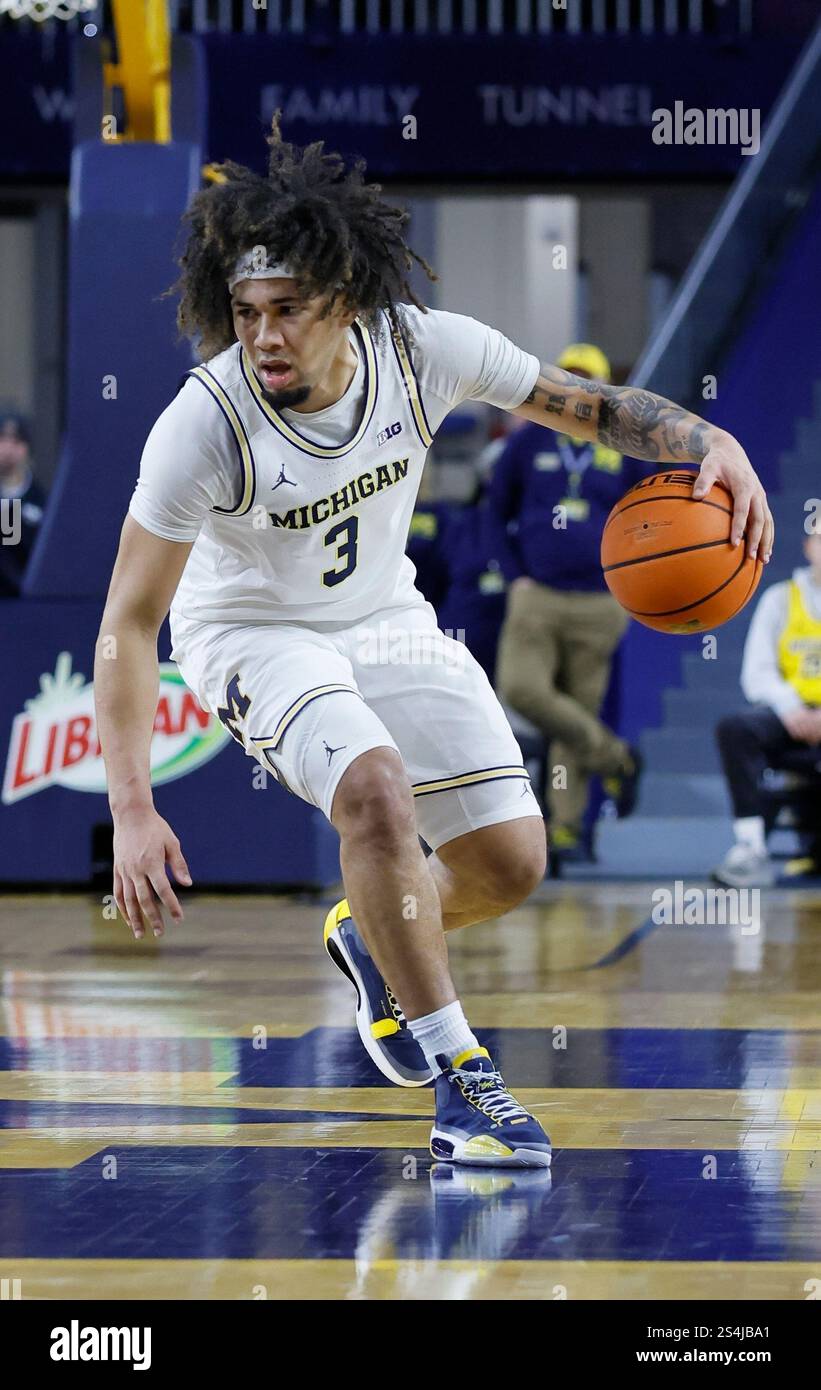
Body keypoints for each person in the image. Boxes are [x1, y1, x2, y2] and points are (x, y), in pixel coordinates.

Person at [94, 117, 773, 1169]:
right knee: (371, 790)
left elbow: (585, 408)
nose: (264, 336)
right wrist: (131, 807)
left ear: (349, 303)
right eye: (245, 313)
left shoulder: (425, 351)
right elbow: (129, 622)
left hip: (385, 619)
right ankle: (464, 1082)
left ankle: (371, 935)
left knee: (510, 860)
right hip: (254, 635)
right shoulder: (205, 423)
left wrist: (707, 440)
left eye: (288, 311)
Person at [489, 345, 653, 864]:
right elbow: (492, 512)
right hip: (537, 596)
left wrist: (630, 588)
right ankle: (617, 758)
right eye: (570, 379)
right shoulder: (527, 442)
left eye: (589, 382)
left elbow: (648, 521)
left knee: (575, 715)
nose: (578, 389)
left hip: (600, 603)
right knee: (520, 689)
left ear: (604, 392)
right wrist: (514, 577)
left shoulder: (623, 448)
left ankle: (565, 830)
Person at [713, 529, 821, 888]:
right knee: (736, 729)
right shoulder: (780, 599)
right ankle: (750, 847)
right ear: (808, 546)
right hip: (793, 720)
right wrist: (792, 710)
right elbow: (756, 673)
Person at [0, 411, 46, 598]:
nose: (8, 449)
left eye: (17, 442)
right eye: (2, 439)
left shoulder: (41, 501)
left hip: (26, 604)